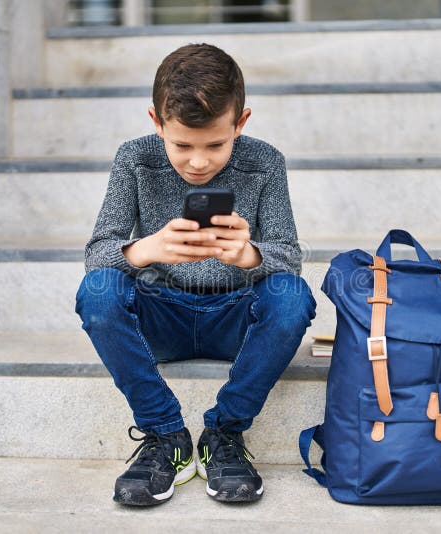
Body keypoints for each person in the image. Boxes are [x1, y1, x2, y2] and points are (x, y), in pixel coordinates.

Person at [75, 43, 316, 506]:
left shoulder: (265, 162)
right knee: (98, 290)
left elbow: (288, 255)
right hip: (161, 315)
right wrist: (147, 249)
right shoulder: (135, 159)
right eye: (181, 144)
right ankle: (166, 434)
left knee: (291, 295)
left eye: (216, 145)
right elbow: (98, 252)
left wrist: (247, 256)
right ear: (156, 122)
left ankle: (223, 432)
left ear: (240, 124)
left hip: (236, 320)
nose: (198, 162)